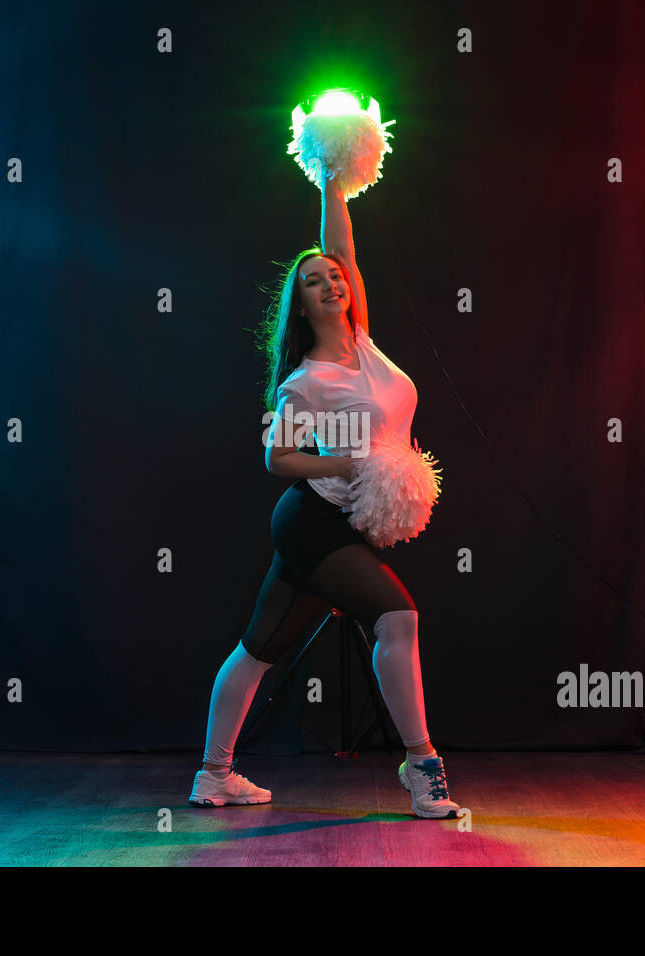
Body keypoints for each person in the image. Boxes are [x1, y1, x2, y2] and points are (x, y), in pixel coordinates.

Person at [188, 175, 459, 818]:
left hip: (341, 523)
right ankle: (422, 765)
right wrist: (352, 460)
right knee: (398, 617)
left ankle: (212, 775)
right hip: (315, 522)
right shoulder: (305, 383)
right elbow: (277, 457)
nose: (331, 283)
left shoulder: (365, 344)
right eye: (315, 281)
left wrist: (333, 173)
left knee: (257, 649)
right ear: (301, 304)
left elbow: (343, 247)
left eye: (334, 277)